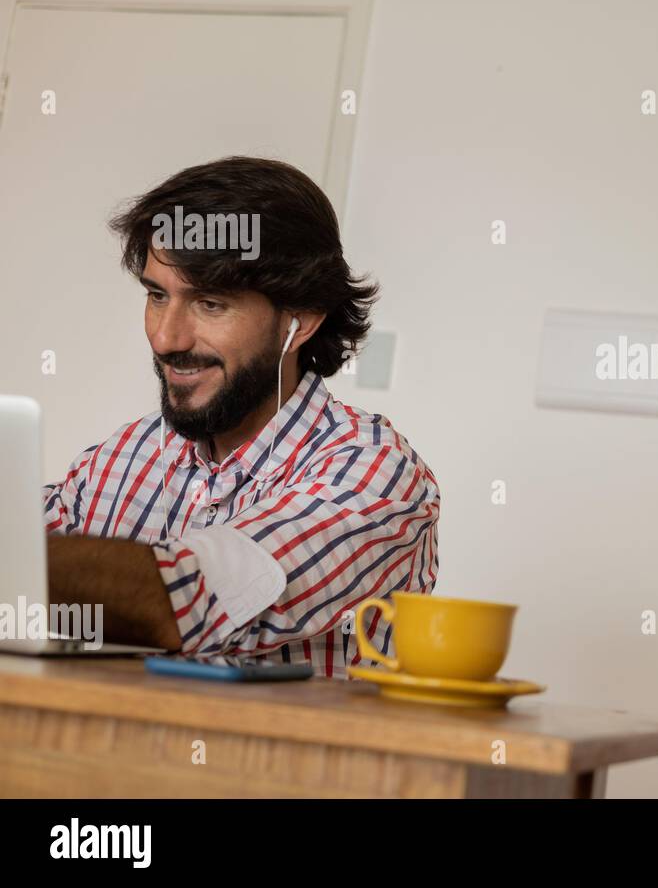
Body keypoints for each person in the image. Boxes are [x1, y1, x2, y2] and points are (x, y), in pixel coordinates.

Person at [41, 156, 440, 678]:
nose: (166, 338)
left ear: (300, 321)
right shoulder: (119, 458)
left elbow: (195, 597)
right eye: (157, 296)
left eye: (210, 304)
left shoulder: (375, 473)